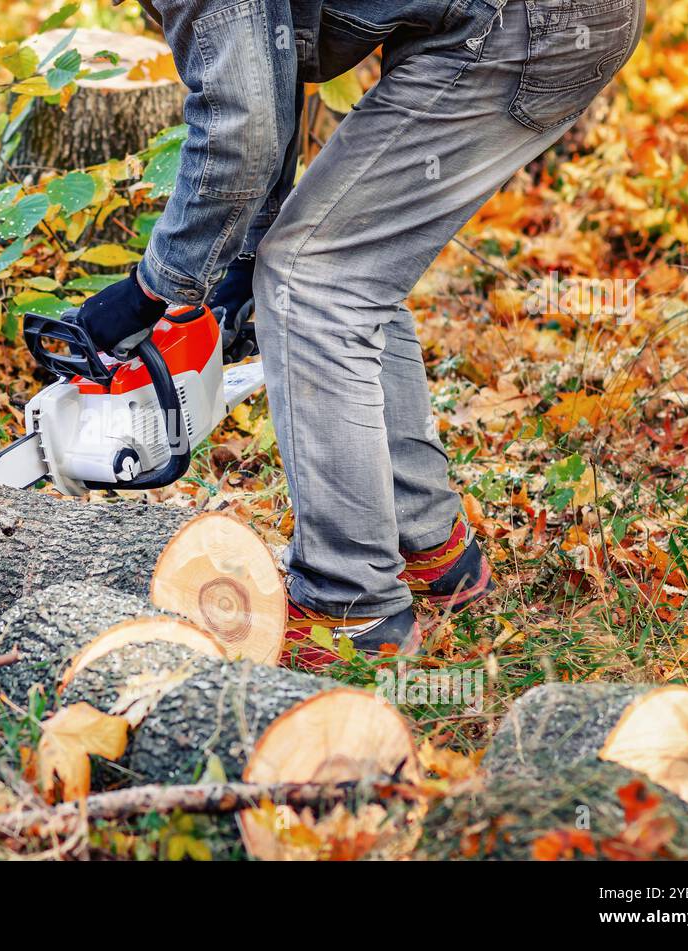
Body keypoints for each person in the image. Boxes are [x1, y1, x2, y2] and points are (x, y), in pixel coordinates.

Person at [76, 0, 645, 657]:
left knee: (313, 276)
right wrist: (240, 256)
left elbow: (244, 129)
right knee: (348, 266)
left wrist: (154, 289)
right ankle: (432, 545)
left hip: (529, 25)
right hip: (517, 19)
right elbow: (266, 66)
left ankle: (349, 603)